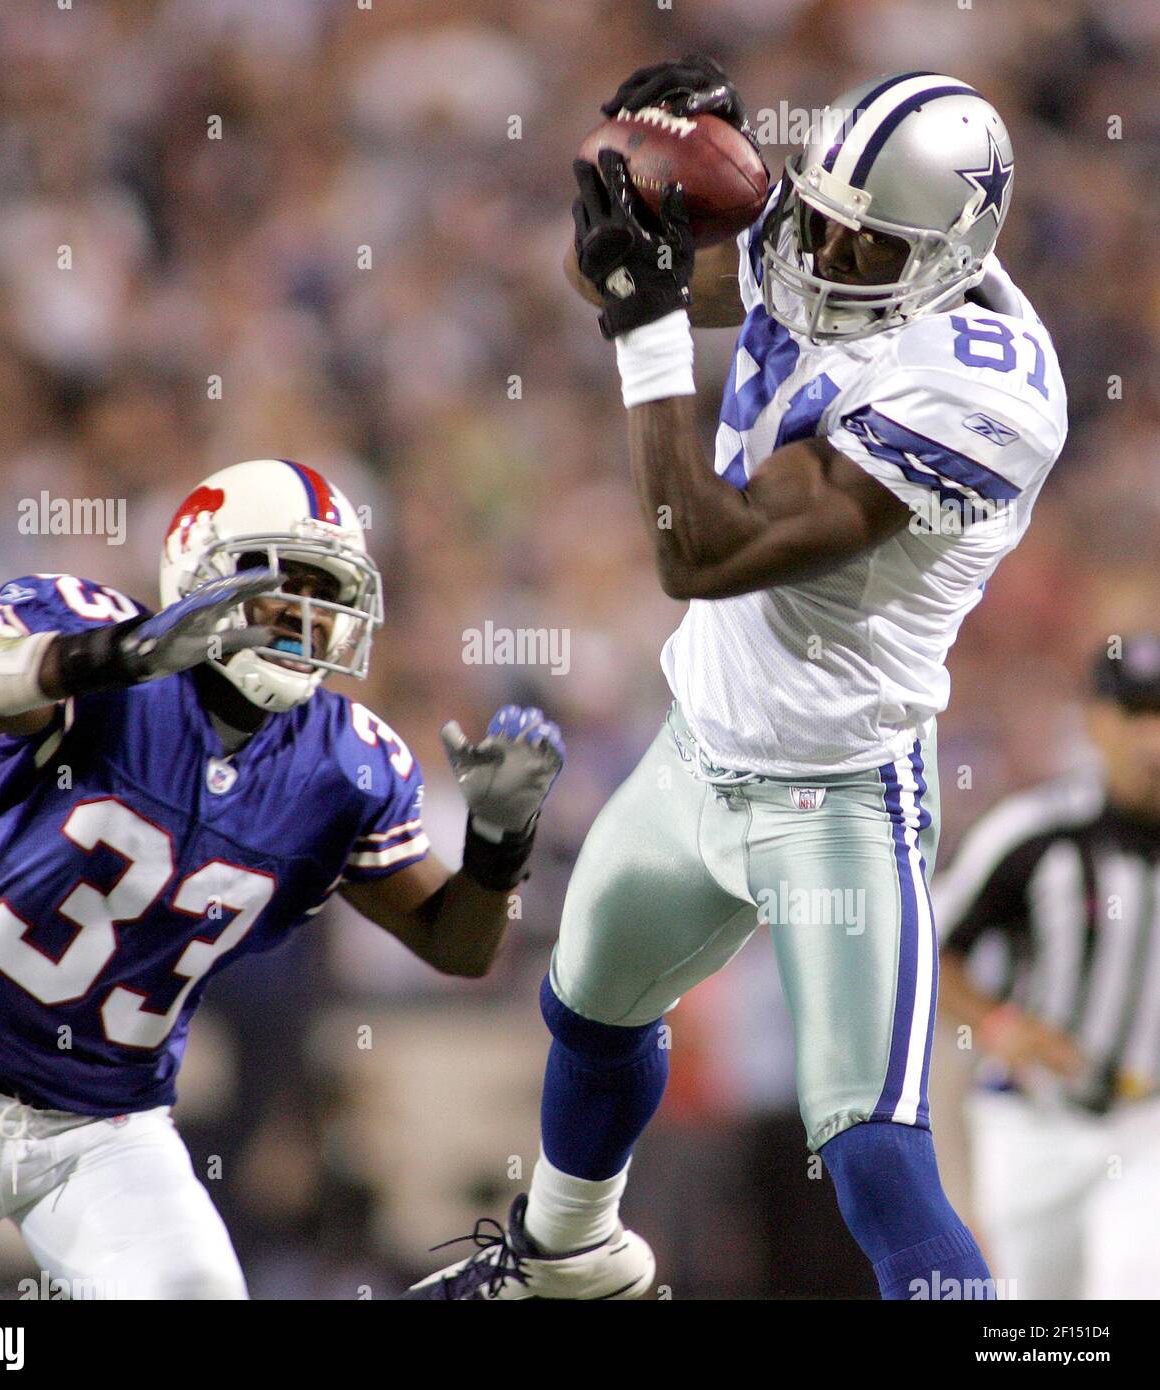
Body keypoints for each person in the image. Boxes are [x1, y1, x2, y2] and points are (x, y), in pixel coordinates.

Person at [407, 57, 1066, 1300]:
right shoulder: (834, 231)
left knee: (873, 1154)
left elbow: (698, 551)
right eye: (813, 218)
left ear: (941, 255)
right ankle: (567, 1262)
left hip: (837, 793)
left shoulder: (983, 389)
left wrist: (648, 329)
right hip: (701, 743)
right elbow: (606, 270)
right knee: (588, 1008)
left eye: (860, 248)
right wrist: (642, 181)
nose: (818, 257)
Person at [0, 456, 564, 1300]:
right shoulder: (97, 655)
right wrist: (116, 655)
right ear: (207, 569)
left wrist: (498, 843)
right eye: (290, 583)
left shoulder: (341, 765)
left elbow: (456, 947)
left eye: (331, 594)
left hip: (112, 1127)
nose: (312, 618)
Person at [936, 635, 1160, 1299]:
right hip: (1033, 1122)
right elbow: (930, 950)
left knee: (1133, 1279)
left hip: (1146, 1123)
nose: (1152, 740)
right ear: (1094, 721)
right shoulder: (1034, 835)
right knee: (1036, 1314)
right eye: (1135, 715)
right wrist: (998, 1024)